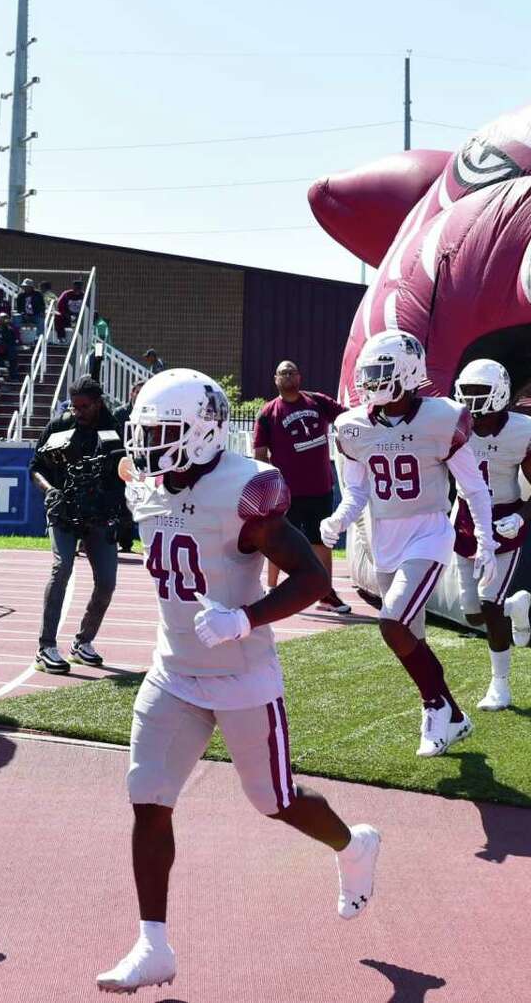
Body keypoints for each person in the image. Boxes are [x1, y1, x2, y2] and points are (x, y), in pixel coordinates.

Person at [97, 367, 379, 992]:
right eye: (144, 431)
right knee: (148, 796)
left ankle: (353, 845)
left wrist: (245, 618)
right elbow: (130, 478)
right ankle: (153, 945)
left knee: (274, 802)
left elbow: (313, 578)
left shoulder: (247, 489)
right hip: (173, 672)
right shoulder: (148, 480)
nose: (146, 444)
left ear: (203, 431)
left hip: (242, 675)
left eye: (163, 431)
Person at [320, 331, 493, 756]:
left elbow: (473, 486)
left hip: (428, 534)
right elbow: (356, 492)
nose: (371, 381)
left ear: (409, 371)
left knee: (391, 622)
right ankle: (454, 716)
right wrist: (339, 519)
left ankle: (433, 707)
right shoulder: (352, 426)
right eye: (368, 373)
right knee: (410, 638)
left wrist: (486, 540)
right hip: (386, 541)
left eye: (381, 371)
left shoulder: (442, 417)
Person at [450, 359, 531, 709]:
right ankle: (516, 606)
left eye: (480, 391)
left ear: (501, 393)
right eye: (468, 391)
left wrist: (520, 518)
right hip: (465, 518)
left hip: (503, 517)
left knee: (489, 605)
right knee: (473, 613)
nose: (472, 400)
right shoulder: (452, 424)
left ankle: (500, 686)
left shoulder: (522, 430)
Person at [32, 378, 126, 674]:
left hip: (100, 515)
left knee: (107, 582)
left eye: (84, 406)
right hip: (63, 512)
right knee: (62, 569)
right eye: (74, 406)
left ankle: (83, 642)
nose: (78, 412)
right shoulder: (59, 425)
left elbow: (125, 472)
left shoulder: (115, 429)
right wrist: (50, 490)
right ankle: (46, 646)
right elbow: (35, 467)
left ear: (98, 403)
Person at [251, 360, 353, 614]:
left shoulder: (317, 401)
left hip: (320, 488)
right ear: (275, 379)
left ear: (300, 377)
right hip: (287, 492)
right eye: (283, 373)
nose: (288, 376)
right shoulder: (268, 413)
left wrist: (344, 438)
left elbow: (349, 418)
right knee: (279, 540)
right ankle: (272, 589)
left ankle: (326, 594)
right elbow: (259, 454)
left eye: (292, 372)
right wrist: (269, 486)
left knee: (322, 541)